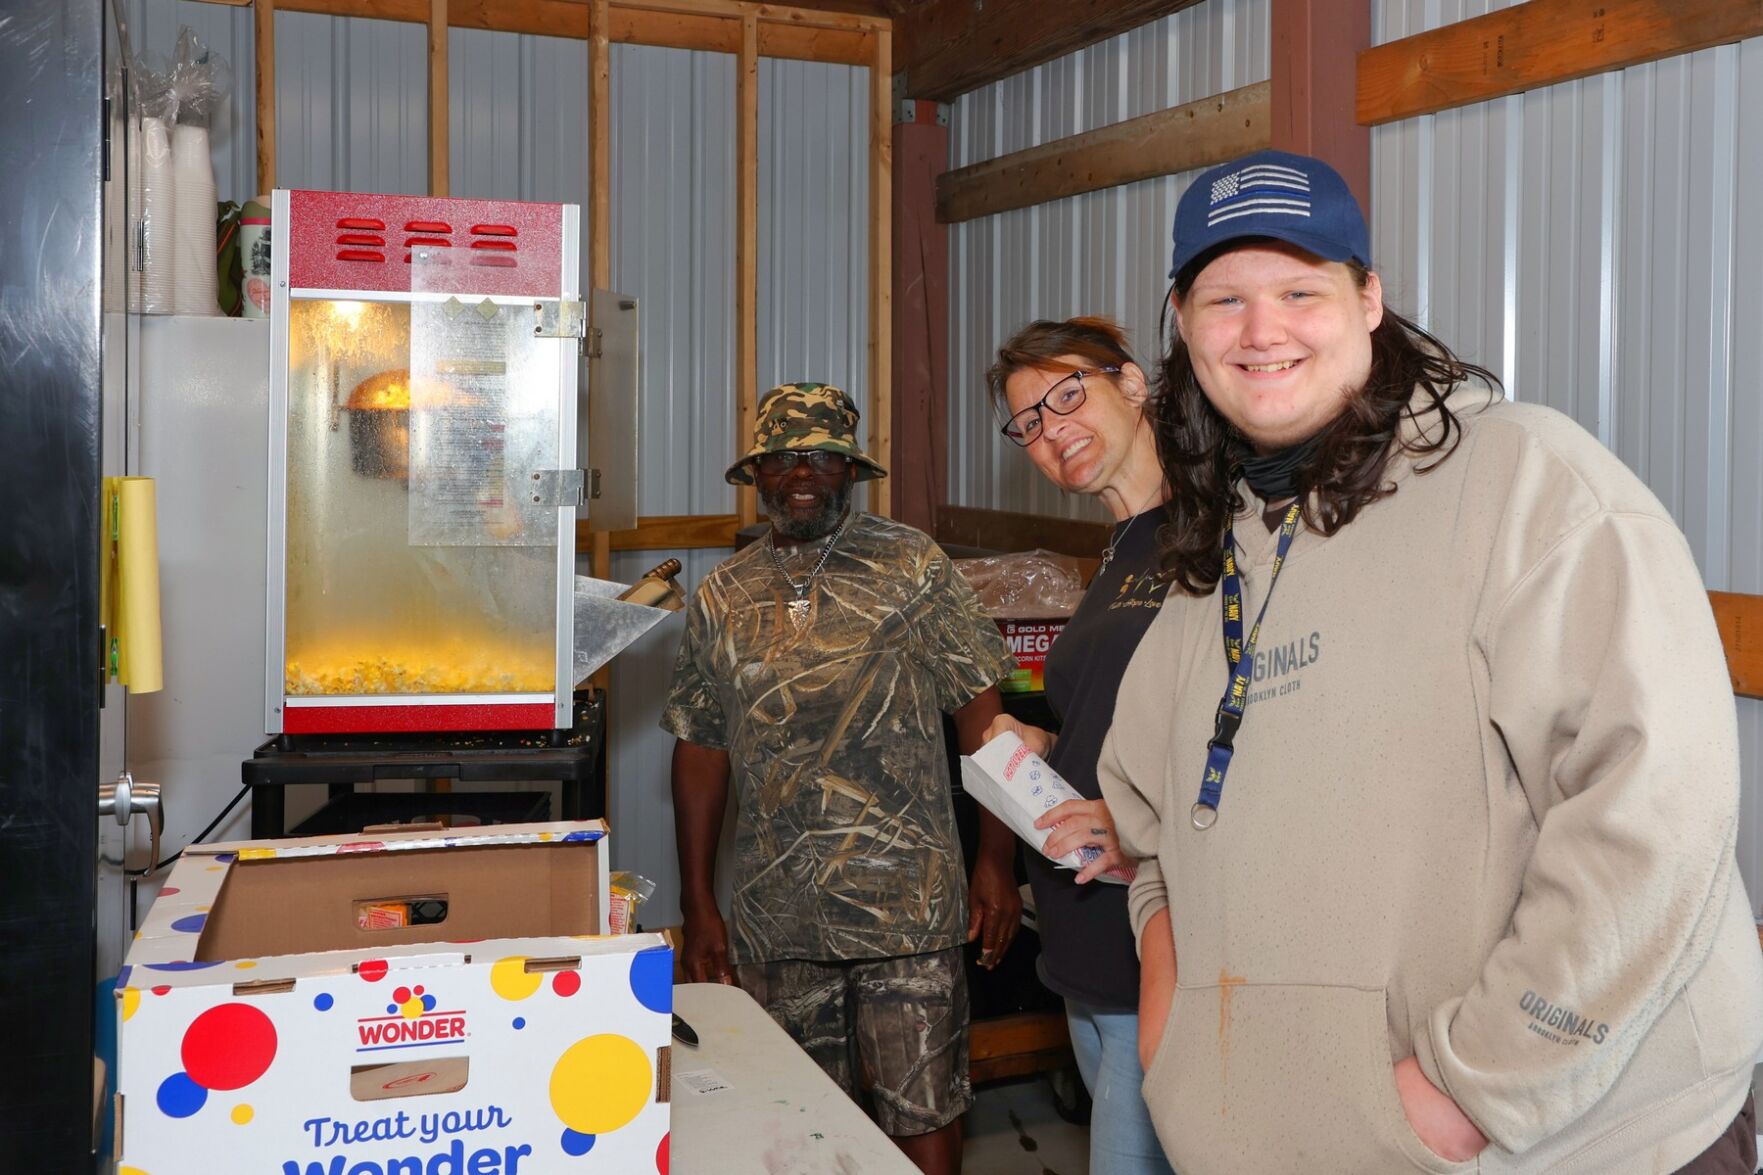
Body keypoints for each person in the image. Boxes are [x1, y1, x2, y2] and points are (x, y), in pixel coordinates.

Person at [1099, 148, 1763, 1173]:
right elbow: (1149, 828)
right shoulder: (1211, 562)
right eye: (1223, 298)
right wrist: (1168, 1026)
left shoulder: (1525, 484)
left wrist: (1476, 1086)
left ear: (1367, 300)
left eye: (1298, 290)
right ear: (1183, 326)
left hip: (1579, 1145)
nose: (1261, 329)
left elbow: (1653, 804)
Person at [661, 381, 1022, 1175]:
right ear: (757, 473)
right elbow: (700, 746)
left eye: (823, 457)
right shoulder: (723, 594)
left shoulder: (910, 564)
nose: (802, 473)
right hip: (776, 916)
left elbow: (980, 714)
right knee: (791, 1123)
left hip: (908, 910)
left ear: (851, 471)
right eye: (783, 457)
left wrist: (996, 858)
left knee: (921, 1113)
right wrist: (698, 901)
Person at [980, 317, 1176, 1175]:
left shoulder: (1212, 535)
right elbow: (1122, 725)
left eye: (1067, 396)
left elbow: (1256, 736)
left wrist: (1140, 828)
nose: (1050, 431)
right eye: (1028, 422)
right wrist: (1042, 738)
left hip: (1153, 942)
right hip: (1083, 943)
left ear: (1131, 384)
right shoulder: (1121, 549)